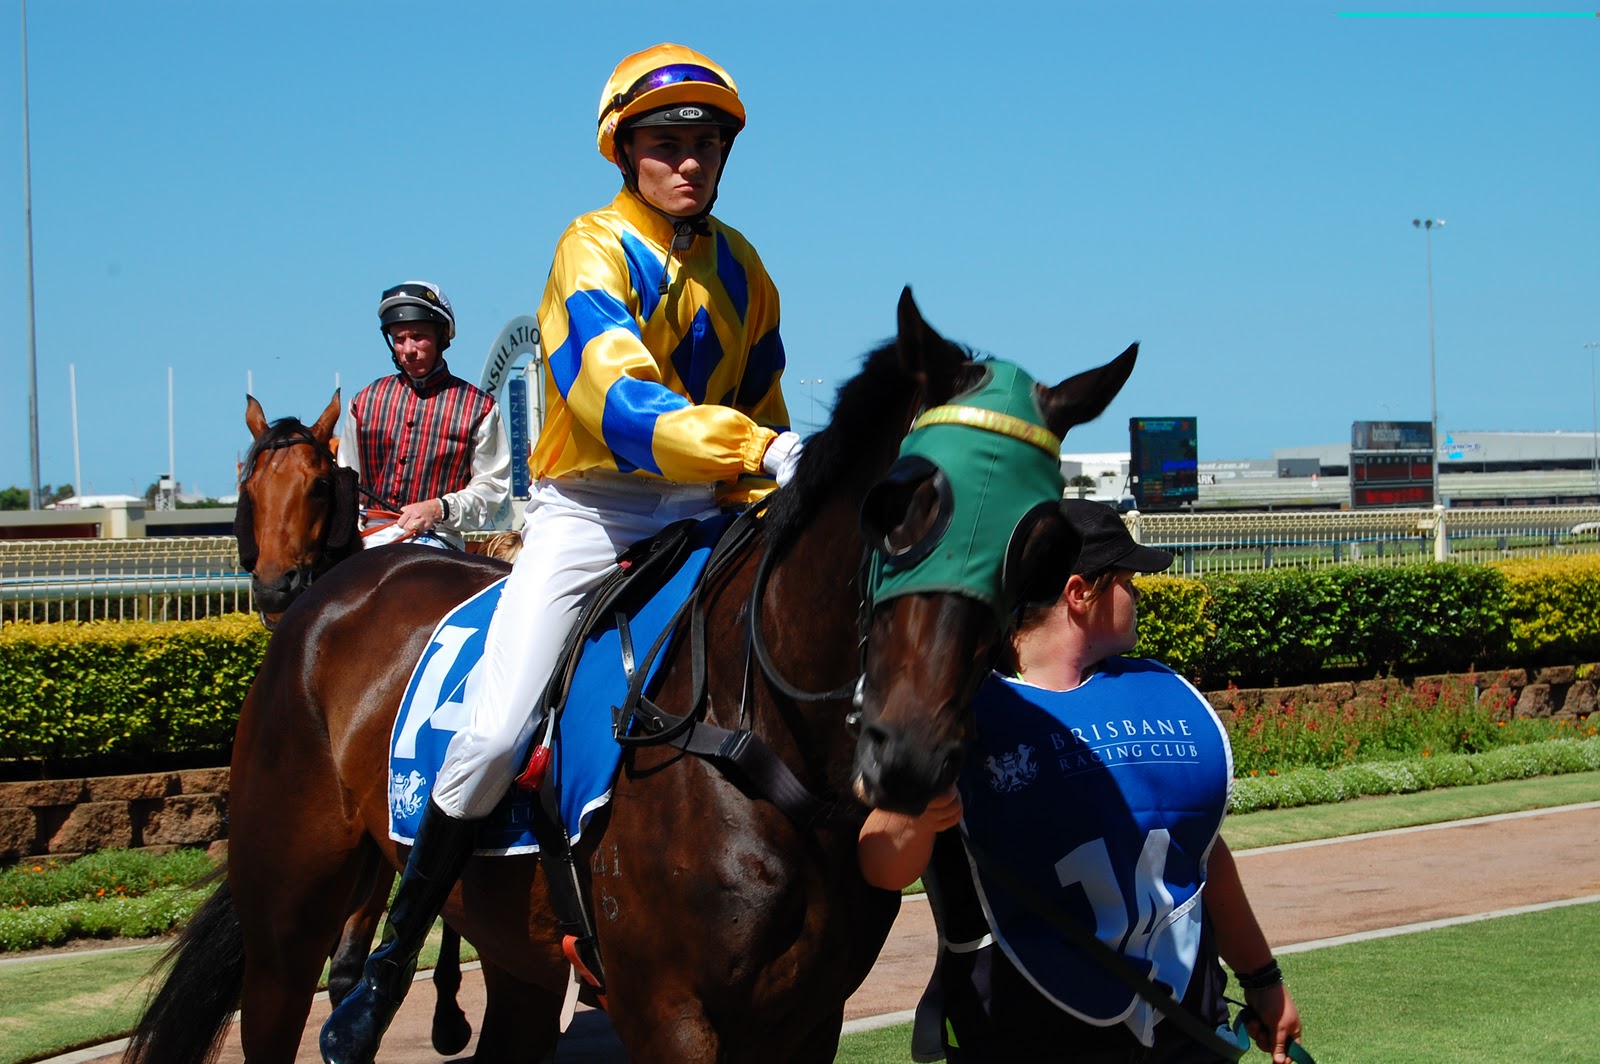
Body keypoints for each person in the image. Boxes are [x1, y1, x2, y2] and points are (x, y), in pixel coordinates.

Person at [321, 44, 800, 1062]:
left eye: (705, 143)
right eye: (665, 143)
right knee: (498, 728)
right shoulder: (591, 246)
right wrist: (756, 448)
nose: (688, 160)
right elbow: (619, 400)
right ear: (624, 151)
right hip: (594, 512)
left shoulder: (744, 267)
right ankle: (391, 956)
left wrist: (780, 474)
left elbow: (764, 399)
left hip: (708, 505)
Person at [859, 500, 1305, 1064]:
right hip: (1027, 1032)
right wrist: (916, 809)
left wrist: (1261, 978)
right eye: (1126, 581)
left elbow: (1199, 857)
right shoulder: (956, 714)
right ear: (1079, 593)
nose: (1138, 595)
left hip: (1182, 1025)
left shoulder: (1154, 696)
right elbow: (881, 866)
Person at [336, 280, 511, 551]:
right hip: (368, 541)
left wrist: (439, 508)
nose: (408, 350)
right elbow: (346, 482)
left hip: (439, 539)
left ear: (443, 337)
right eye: (399, 339)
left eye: (418, 337)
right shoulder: (363, 402)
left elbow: (492, 489)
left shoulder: (481, 408)